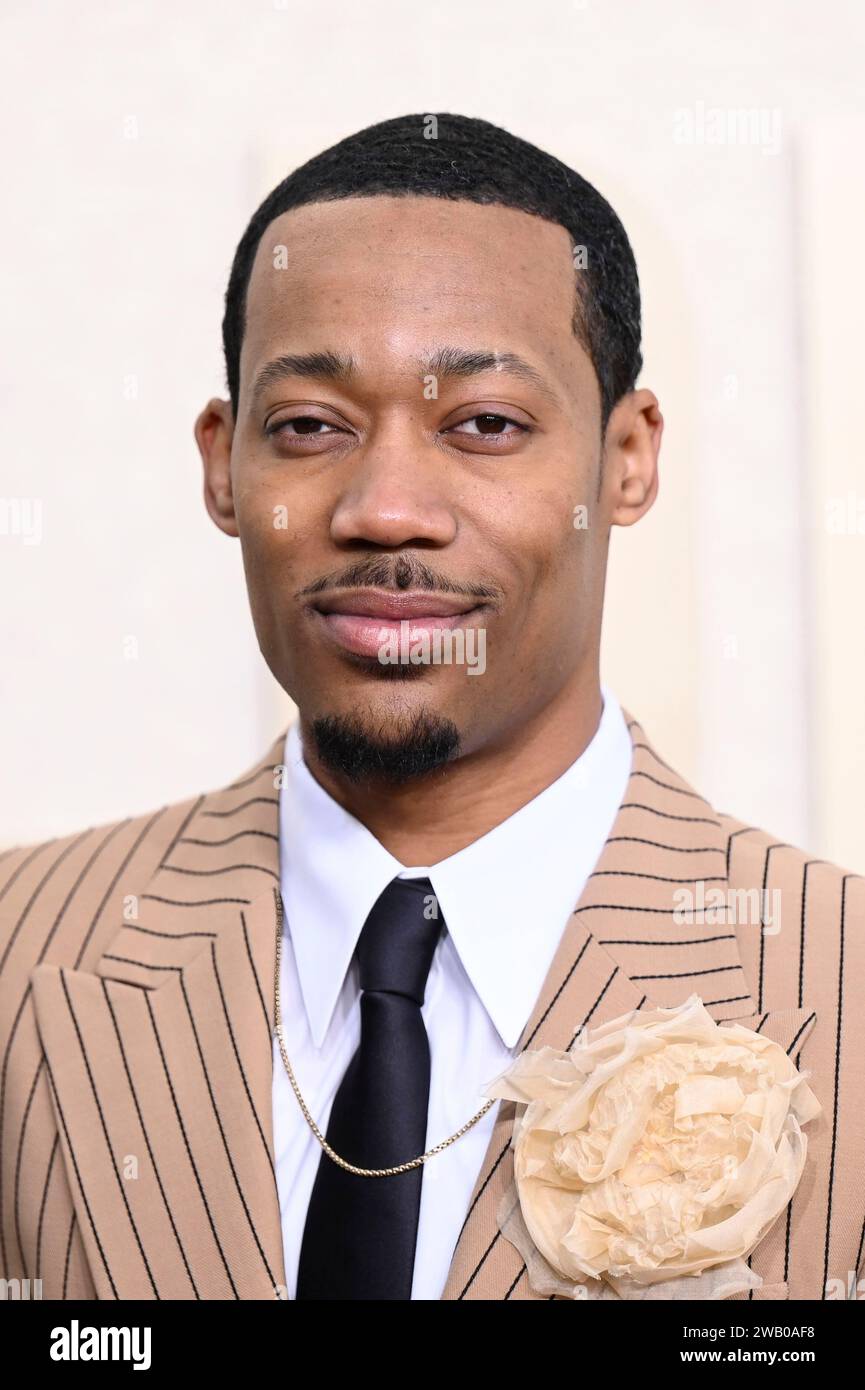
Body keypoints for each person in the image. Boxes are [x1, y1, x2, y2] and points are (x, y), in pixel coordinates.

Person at [1, 113, 862, 1302]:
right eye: (309, 426)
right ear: (222, 464)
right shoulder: (20, 947)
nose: (386, 507)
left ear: (627, 457)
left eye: (485, 425)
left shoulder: (842, 981)